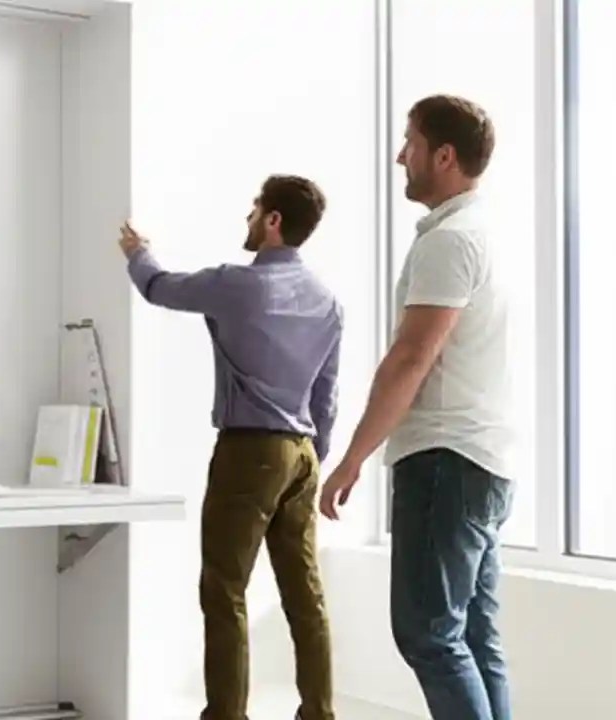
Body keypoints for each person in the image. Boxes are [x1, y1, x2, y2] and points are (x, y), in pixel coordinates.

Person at [318, 94, 514, 720]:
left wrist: (352, 458)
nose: (402, 155)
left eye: (412, 143)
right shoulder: (479, 231)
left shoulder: (450, 241)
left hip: (445, 462)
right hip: (482, 461)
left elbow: (412, 357)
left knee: (429, 634)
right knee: (472, 638)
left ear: (445, 155)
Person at [119, 174, 343, 720]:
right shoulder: (327, 300)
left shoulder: (237, 285)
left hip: (250, 451)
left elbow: (160, 288)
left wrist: (136, 251)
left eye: (254, 209)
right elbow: (326, 395)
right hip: (303, 453)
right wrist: (313, 459)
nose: (247, 218)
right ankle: (319, 712)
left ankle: (226, 715)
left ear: (272, 221)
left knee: (224, 588)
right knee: (304, 593)